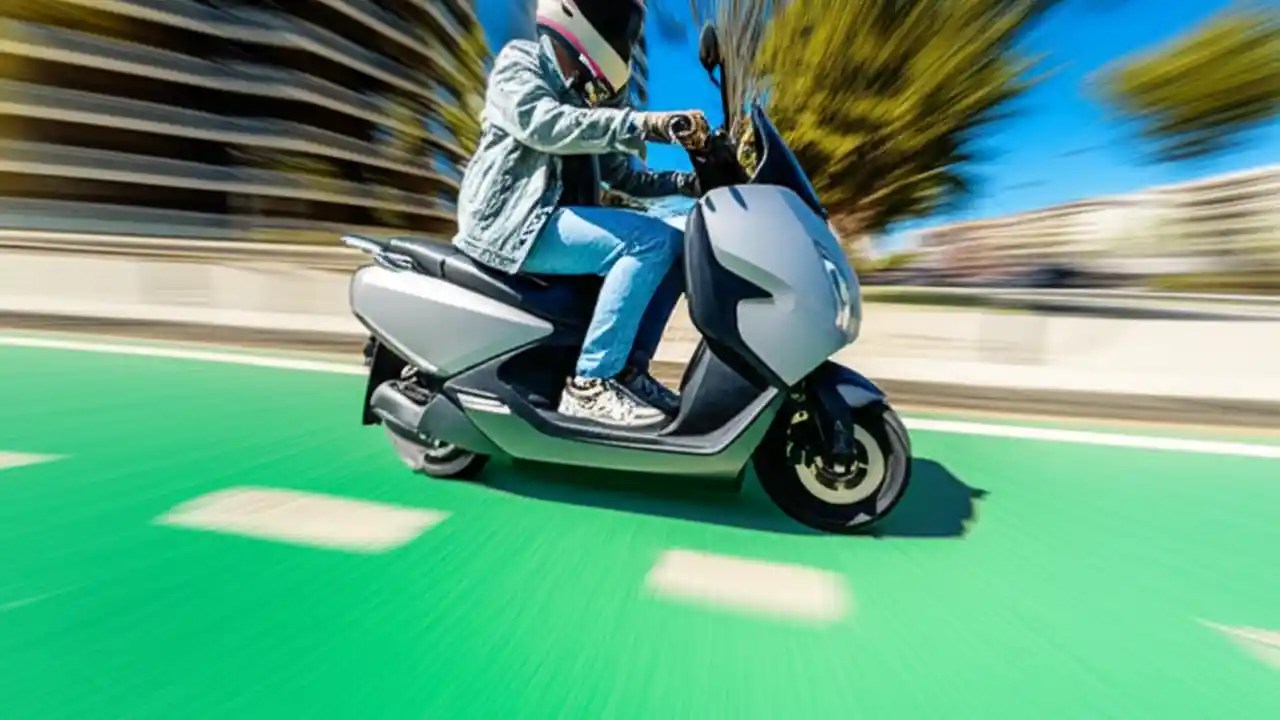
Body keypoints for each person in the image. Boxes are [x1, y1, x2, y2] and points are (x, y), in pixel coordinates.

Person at [451, 0, 710, 429]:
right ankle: (590, 384)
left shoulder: (591, 92)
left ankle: (627, 370)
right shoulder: (522, 63)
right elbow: (544, 125)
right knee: (648, 241)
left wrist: (689, 183)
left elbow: (622, 177)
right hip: (512, 224)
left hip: (552, 222)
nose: (625, 42)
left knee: (681, 241)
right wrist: (643, 124)